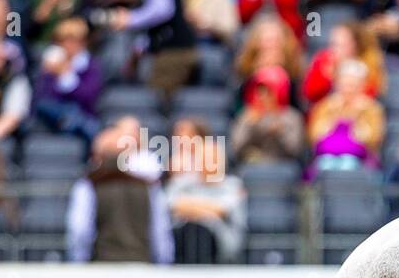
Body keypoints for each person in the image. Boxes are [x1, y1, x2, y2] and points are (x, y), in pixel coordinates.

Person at [67, 117, 173, 264]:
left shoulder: (88, 186)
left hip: (101, 268)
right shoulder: (149, 187)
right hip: (141, 267)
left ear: (98, 156)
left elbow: (80, 232)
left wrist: (80, 263)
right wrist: (162, 265)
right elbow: (160, 233)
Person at [166, 117, 248, 264]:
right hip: (182, 240)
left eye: (212, 160)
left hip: (219, 245)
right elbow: (171, 203)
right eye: (204, 160)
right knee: (189, 230)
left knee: (200, 231)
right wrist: (208, 213)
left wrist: (190, 209)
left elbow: (222, 209)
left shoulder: (233, 186)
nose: (208, 165)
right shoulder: (184, 182)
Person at [33, 17, 104, 143]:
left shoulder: (91, 66)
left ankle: (69, 121)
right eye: (63, 41)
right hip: (53, 120)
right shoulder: (51, 66)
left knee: (82, 120)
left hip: (83, 116)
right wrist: (47, 74)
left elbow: (88, 98)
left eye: (73, 41)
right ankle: (68, 121)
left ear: (83, 42)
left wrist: (65, 74)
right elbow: (41, 101)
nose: (68, 45)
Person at [229, 65, 305, 164]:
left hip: (282, 166)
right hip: (252, 166)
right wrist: (251, 126)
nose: (262, 96)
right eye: (260, 90)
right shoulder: (248, 114)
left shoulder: (292, 117)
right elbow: (236, 148)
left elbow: (295, 150)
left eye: (269, 91)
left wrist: (280, 132)